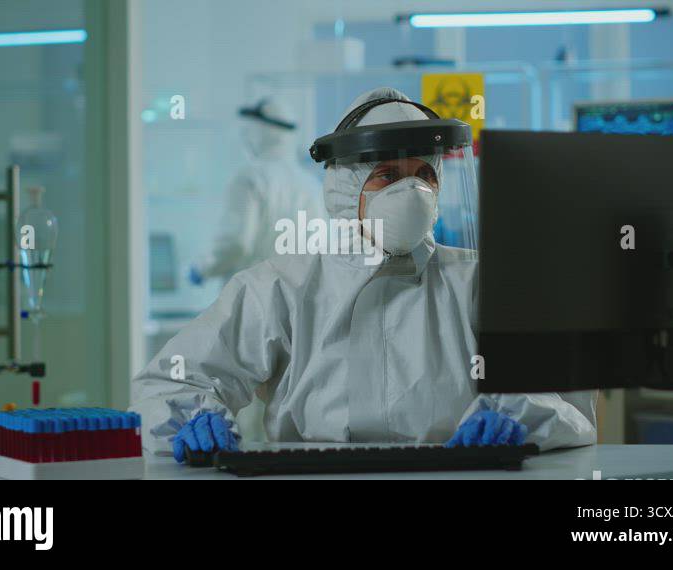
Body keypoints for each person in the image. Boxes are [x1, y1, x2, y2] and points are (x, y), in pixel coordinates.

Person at [131, 87, 597, 460]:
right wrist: (192, 418)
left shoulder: (478, 284)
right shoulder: (280, 288)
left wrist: (523, 416)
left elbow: (570, 401)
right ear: (345, 188)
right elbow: (173, 380)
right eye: (387, 175)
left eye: (424, 174)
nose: (411, 191)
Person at [189, 96, 324, 285]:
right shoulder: (311, 185)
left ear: (266, 132)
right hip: (298, 297)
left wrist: (202, 268)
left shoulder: (250, 179)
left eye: (253, 127)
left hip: (254, 297)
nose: (247, 134)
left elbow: (236, 243)